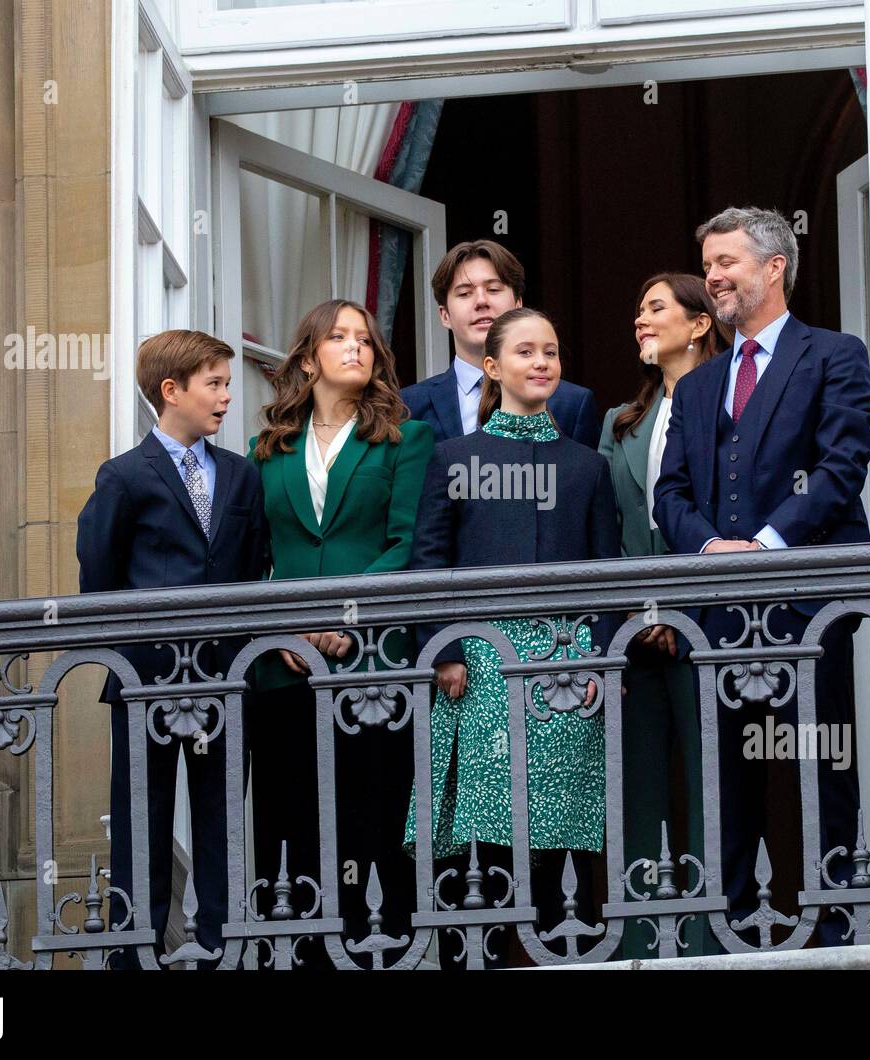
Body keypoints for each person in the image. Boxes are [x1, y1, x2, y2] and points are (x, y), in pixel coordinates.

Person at [653, 206, 870, 947]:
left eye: (727, 263)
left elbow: (842, 466)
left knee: (821, 771)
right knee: (724, 783)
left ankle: (833, 932)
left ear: (774, 266)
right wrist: (713, 549)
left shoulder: (833, 354)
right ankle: (729, 935)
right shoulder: (696, 386)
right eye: (710, 264)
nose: (713, 277)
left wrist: (769, 542)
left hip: (808, 604)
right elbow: (669, 494)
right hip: (717, 610)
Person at [405, 307, 619, 964]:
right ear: (493, 368)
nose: (540, 363)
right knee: (483, 836)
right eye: (525, 352)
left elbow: (608, 575)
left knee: (559, 836)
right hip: (480, 666)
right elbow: (426, 563)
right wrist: (441, 650)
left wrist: (599, 660)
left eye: (550, 352)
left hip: (565, 664)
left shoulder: (588, 466)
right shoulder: (453, 457)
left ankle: (559, 957)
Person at [76, 329, 271, 969]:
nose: (224, 397)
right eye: (214, 384)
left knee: (222, 816)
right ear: (171, 391)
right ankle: (133, 952)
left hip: (223, 673)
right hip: (146, 677)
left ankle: (222, 946)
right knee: (143, 816)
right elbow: (98, 574)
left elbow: (253, 565)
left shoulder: (241, 476)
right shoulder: (125, 475)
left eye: (225, 384)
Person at [248, 298, 432, 966]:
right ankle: (295, 953)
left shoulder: (406, 440)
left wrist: (342, 616)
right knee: (290, 818)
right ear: (306, 358)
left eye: (365, 339)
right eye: (338, 337)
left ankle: (381, 952)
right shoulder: (266, 450)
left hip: (374, 660)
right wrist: (292, 624)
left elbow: (407, 544)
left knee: (372, 818)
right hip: (284, 667)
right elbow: (253, 560)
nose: (355, 347)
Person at [598, 272, 719, 958]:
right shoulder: (623, 421)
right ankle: (640, 943)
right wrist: (634, 615)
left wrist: (683, 608)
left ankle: (709, 944)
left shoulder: (733, 406)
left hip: (709, 627)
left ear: (700, 323)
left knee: (712, 792)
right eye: (638, 310)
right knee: (636, 792)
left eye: (656, 308)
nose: (640, 320)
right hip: (632, 636)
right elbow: (608, 526)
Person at [401, 239, 601, 447]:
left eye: (494, 289)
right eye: (464, 293)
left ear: (518, 305)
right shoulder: (409, 405)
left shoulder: (572, 403)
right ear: (445, 315)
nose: (481, 301)